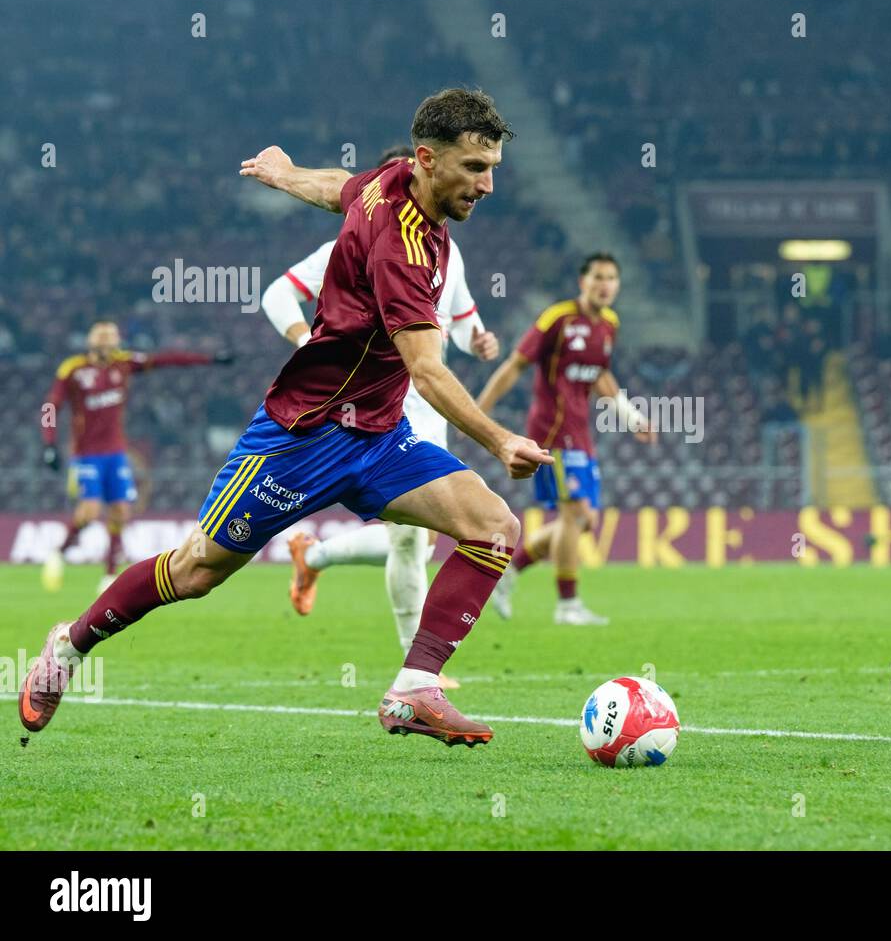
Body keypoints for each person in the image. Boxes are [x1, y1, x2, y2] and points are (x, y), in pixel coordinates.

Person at [21, 88, 551, 748]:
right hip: (303, 435)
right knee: (195, 572)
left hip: (379, 436)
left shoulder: (390, 183)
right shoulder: (405, 250)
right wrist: (501, 440)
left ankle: (415, 688)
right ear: (426, 159)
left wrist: (284, 174)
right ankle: (66, 649)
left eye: (493, 166)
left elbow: (341, 188)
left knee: (493, 527)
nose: (489, 184)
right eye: (475, 168)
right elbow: (428, 370)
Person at [260, 146, 500, 691]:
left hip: (427, 402)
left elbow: (457, 318)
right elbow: (278, 294)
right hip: (366, 400)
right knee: (412, 542)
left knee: (416, 541)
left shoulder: (445, 247)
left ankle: (314, 556)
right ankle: (416, 667)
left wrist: (477, 339)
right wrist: (307, 341)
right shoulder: (355, 236)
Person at [477, 254, 655, 626]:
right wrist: (478, 412)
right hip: (551, 431)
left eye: (611, 278)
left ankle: (508, 573)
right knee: (573, 515)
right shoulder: (557, 318)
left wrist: (632, 417)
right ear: (582, 281)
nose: (604, 284)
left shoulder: (609, 325)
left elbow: (601, 377)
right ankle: (568, 605)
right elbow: (515, 365)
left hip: (581, 434)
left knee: (585, 520)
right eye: (597, 277)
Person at [40, 320, 226, 593]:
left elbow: (167, 360)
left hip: (115, 453)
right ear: (93, 343)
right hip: (86, 455)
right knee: (90, 512)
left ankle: (109, 575)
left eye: (113, 340)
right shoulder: (73, 369)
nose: (110, 346)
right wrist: (49, 443)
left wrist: (208, 360)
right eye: (105, 341)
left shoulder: (123, 363)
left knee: (120, 512)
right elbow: (50, 405)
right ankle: (59, 552)